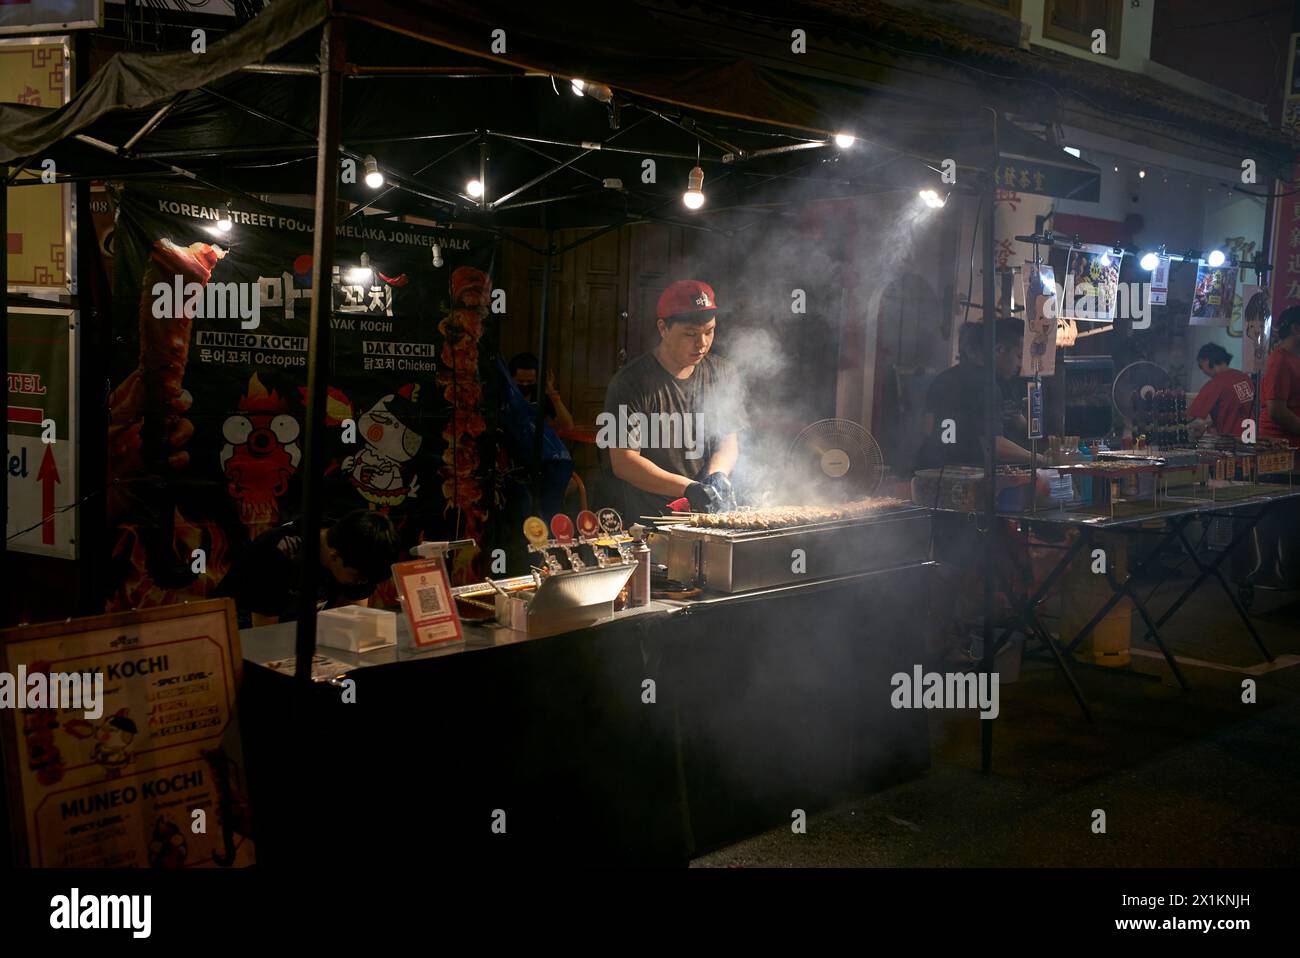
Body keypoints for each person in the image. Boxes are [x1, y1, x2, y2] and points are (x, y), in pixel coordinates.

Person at [602, 279, 738, 518]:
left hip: (708, 516)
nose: (702, 343)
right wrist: (689, 489)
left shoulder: (722, 373)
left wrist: (716, 477)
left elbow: (727, 441)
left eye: (710, 331)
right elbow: (623, 462)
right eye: (690, 334)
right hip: (652, 518)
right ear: (663, 328)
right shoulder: (630, 383)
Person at [216, 508, 399, 627]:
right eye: (358, 578)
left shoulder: (359, 552)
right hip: (237, 628)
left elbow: (353, 618)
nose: (361, 583)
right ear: (334, 557)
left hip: (294, 629)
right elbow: (264, 635)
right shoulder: (279, 552)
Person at [915, 318, 1038, 470]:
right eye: (1019, 356)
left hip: (931, 468)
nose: (1020, 364)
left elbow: (927, 428)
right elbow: (996, 445)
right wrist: (1041, 459)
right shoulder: (986, 385)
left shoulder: (943, 377)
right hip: (965, 473)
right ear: (999, 350)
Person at [1187, 342, 1254, 440]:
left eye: (1201, 366)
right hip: (1251, 437)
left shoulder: (1216, 384)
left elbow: (1191, 416)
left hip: (1230, 442)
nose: (1203, 371)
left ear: (1206, 360)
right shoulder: (1245, 378)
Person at [1261, 305, 1300, 450]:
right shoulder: (1280, 361)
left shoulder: (1294, 359)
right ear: (1296, 329)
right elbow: (1277, 412)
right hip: (1283, 450)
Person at [508, 352, 575, 432]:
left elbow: (568, 426)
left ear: (536, 379)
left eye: (530, 381)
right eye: (520, 381)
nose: (525, 384)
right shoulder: (505, 395)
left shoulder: (540, 395)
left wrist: (553, 395)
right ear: (511, 379)